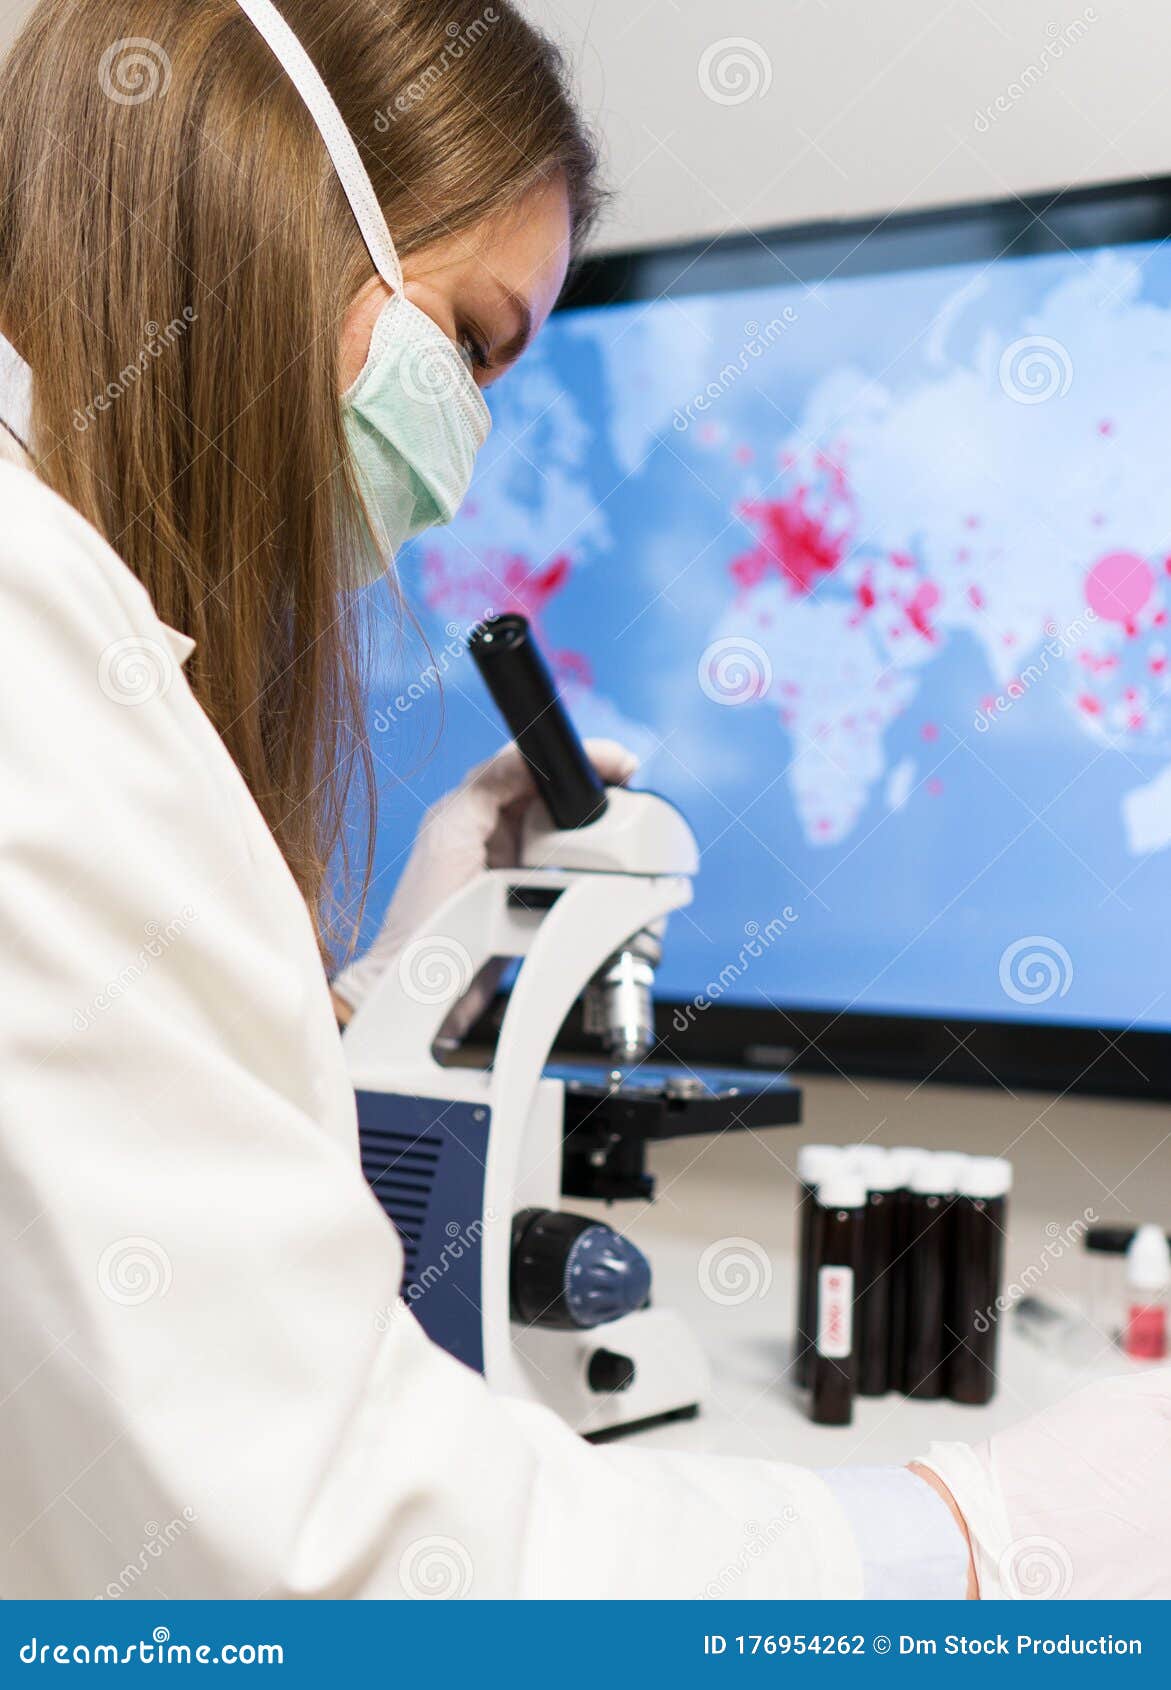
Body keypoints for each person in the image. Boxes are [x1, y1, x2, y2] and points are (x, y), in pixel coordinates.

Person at [0, 0, 1167, 1601]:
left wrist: (371, 994)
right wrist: (976, 1543)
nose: (462, 443)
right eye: (469, 341)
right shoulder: (36, 648)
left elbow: (120, 1221)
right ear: (273, 190)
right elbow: (327, 1546)